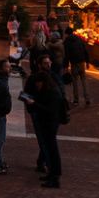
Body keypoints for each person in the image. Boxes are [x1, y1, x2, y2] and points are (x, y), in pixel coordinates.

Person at [22, 53, 64, 188]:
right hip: (45, 118)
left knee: (50, 147)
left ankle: (53, 175)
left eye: (49, 63)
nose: (48, 65)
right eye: (45, 63)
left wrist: (33, 104)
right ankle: (49, 171)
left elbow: (49, 108)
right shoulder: (43, 82)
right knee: (47, 145)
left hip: (49, 120)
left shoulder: (53, 88)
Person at [63, 30, 91, 106]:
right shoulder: (79, 39)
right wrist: (87, 62)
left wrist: (65, 66)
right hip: (82, 62)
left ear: (67, 34)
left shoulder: (67, 42)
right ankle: (87, 99)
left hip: (74, 63)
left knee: (75, 81)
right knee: (84, 80)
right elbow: (85, 50)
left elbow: (66, 55)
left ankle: (76, 100)